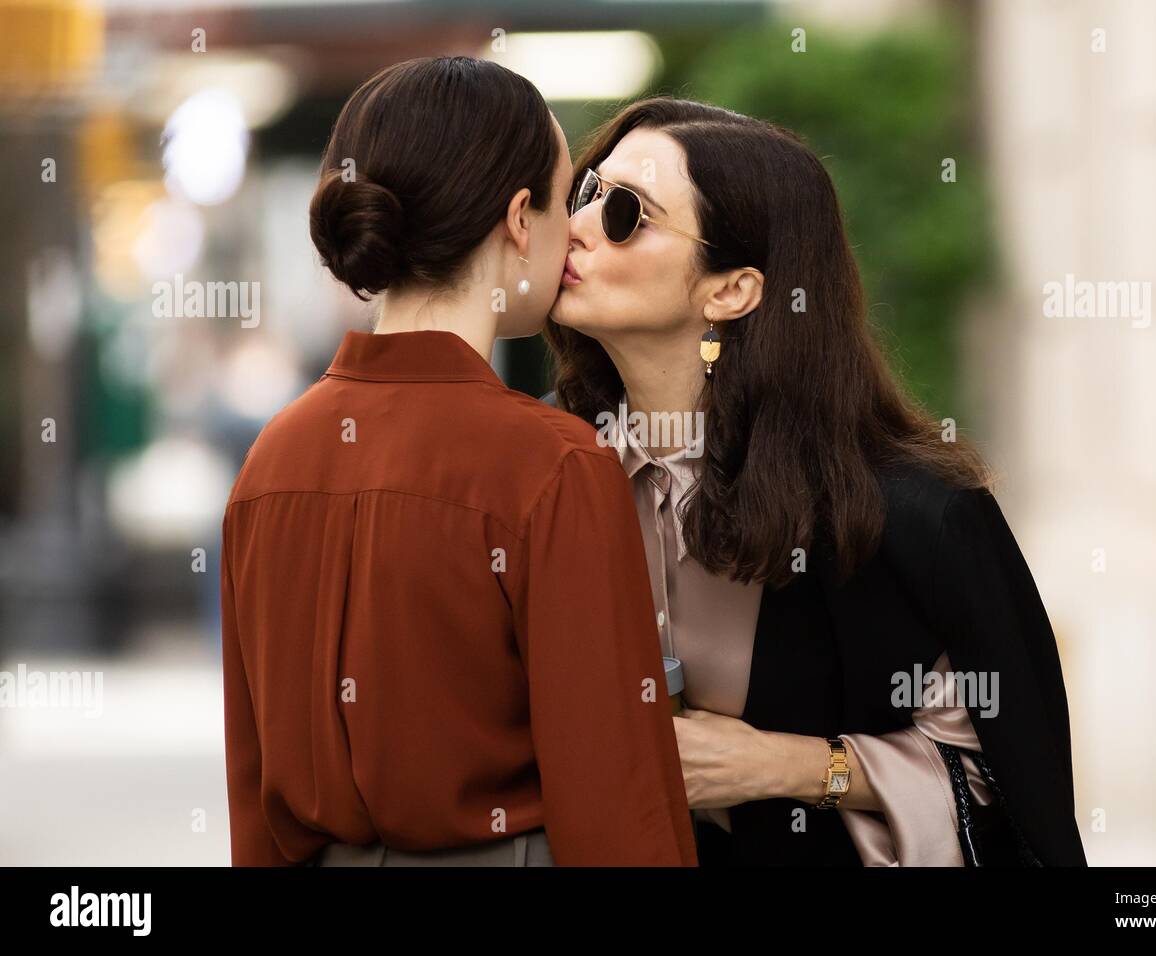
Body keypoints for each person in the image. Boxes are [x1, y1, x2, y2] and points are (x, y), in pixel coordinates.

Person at [544, 96, 1087, 866]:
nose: (578, 226)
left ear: (731, 290)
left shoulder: (909, 515)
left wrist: (791, 766)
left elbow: (1005, 777)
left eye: (626, 213)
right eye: (587, 192)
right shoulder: (542, 470)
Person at [220, 58, 697, 866]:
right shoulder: (553, 464)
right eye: (563, 198)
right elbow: (618, 811)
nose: (575, 230)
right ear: (519, 219)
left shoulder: (273, 459)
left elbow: (253, 796)